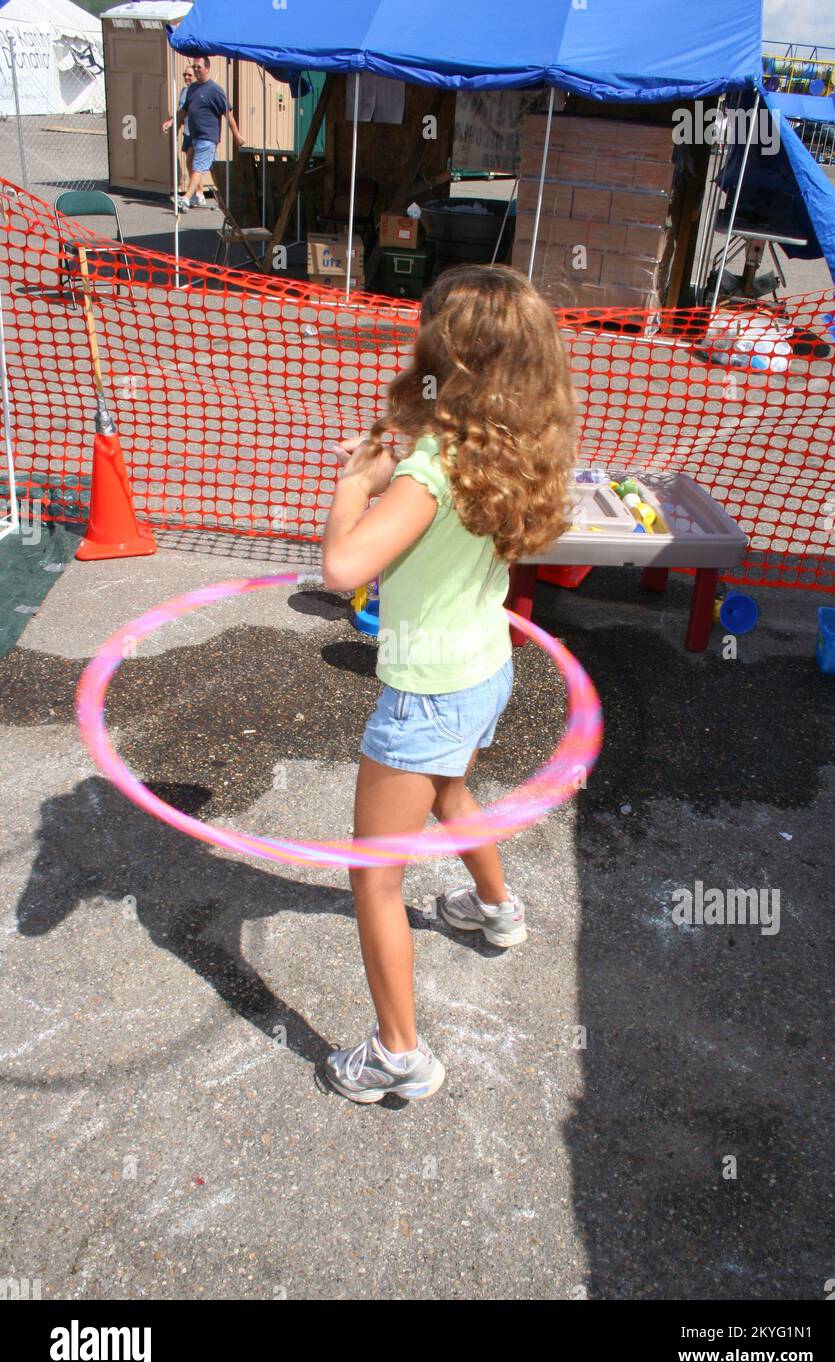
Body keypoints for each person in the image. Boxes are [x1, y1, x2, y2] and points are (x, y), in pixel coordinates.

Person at [321, 264, 578, 1103]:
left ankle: (398, 1055)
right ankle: (495, 911)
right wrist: (396, 445)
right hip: (482, 669)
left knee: (375, 876)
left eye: (421, 332)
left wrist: (353, 486)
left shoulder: (432, 472)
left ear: (449, 355)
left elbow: (342, 569)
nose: (409, 340)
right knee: (450, 789)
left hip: (429, 686)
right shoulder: (511, 442)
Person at [161, 55, 244, 211]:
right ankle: (227, 198)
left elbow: (229, 114)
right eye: (195, 67)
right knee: (211, 168)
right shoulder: (192, 89)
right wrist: (173, 123)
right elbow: (183, 112)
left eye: (199, 67)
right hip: (195, 137)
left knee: (197, 166)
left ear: (207, 68)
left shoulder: (215, 91)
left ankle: (187, 198)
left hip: (207, 137)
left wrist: (237, 135)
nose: (196, 70)